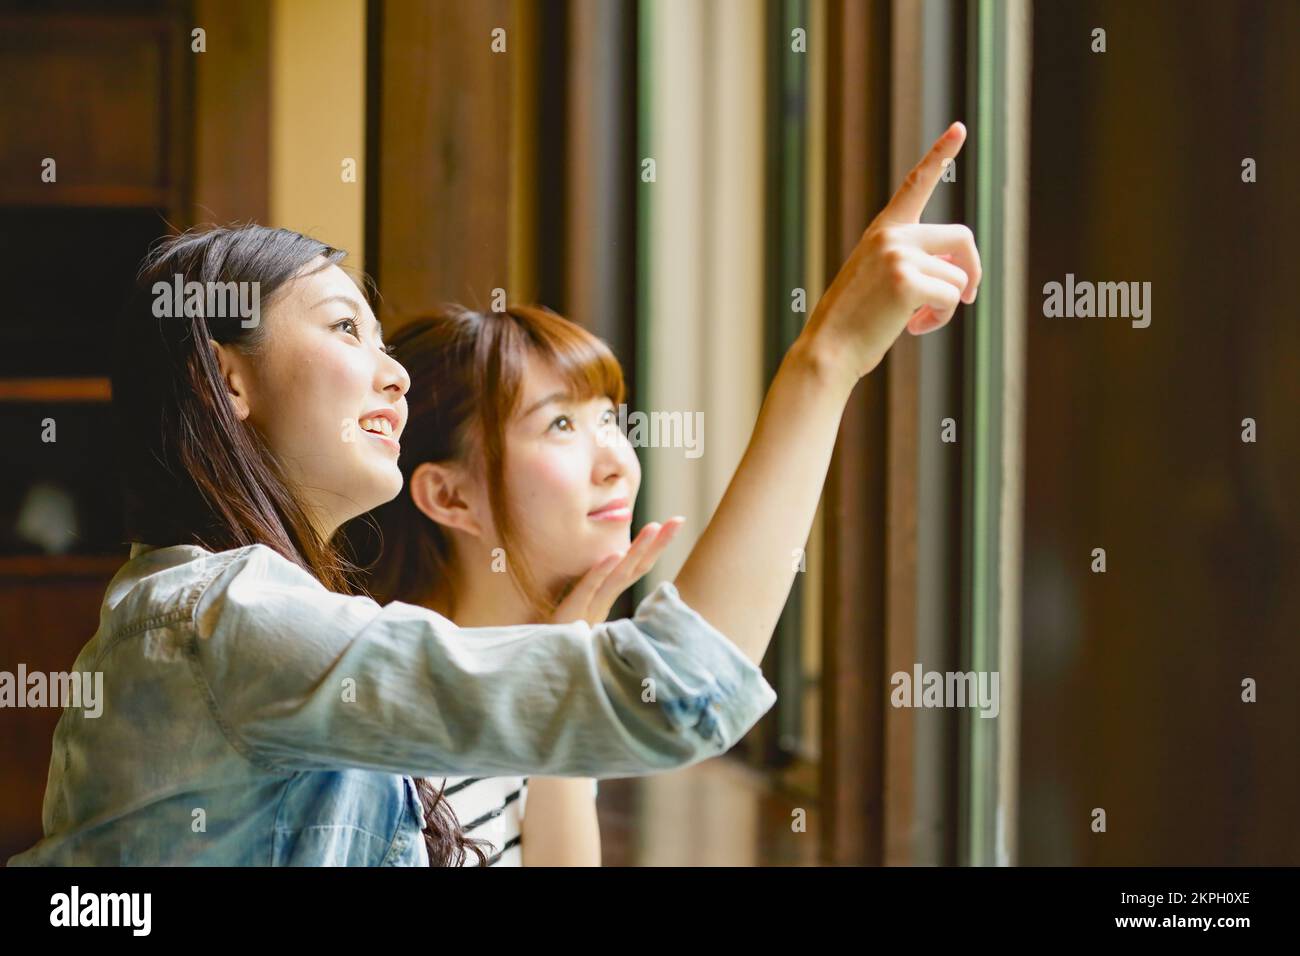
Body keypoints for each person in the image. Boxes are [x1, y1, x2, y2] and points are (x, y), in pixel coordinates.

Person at [8, 122, 979, 866]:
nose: (388, 371)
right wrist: (827, 358)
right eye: (345, 327)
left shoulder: (237, 619)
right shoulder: (229, 618)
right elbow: (676, 693)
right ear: (231, 382)